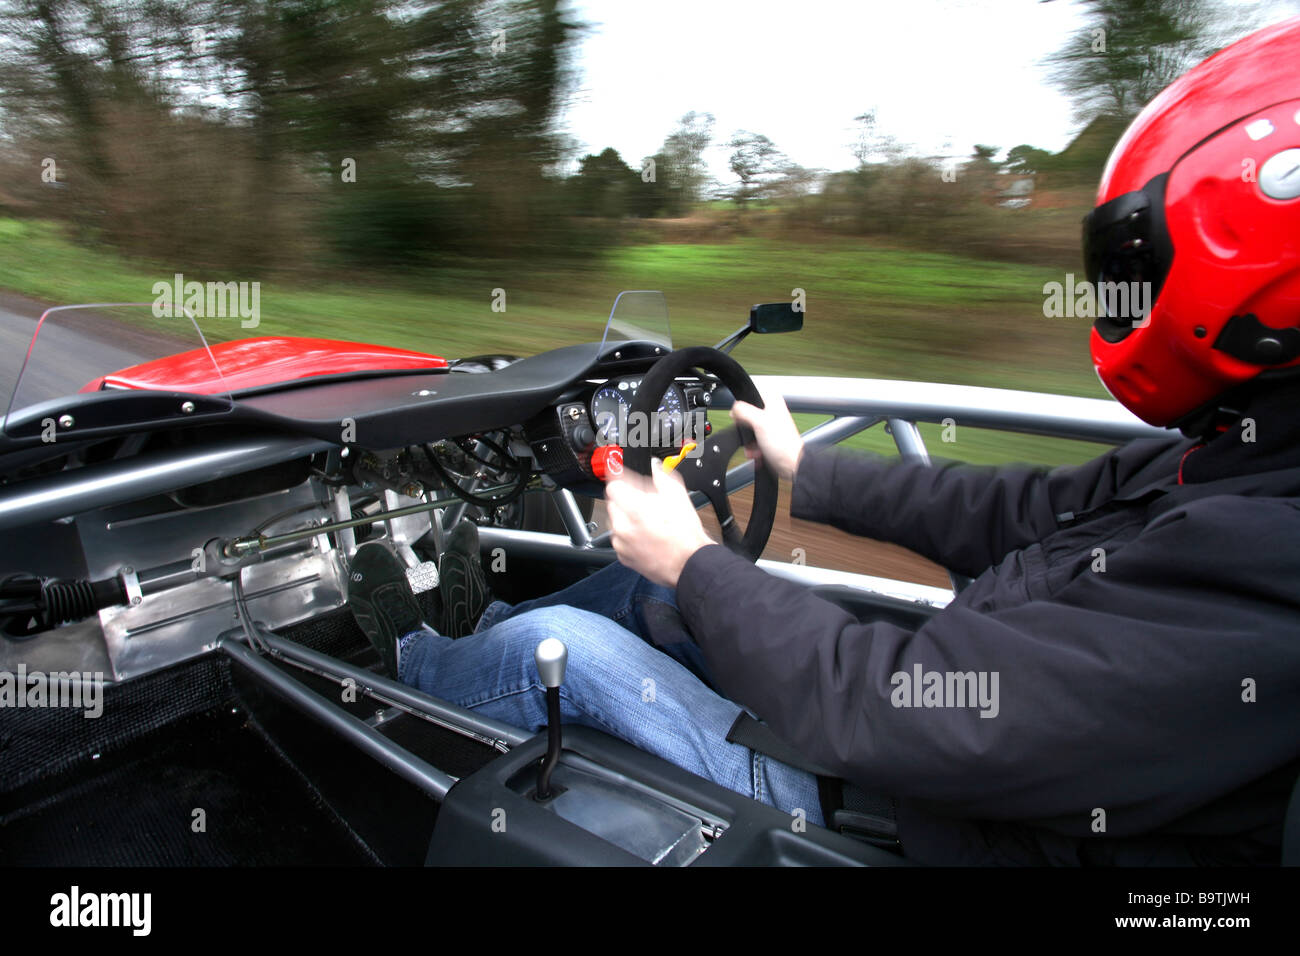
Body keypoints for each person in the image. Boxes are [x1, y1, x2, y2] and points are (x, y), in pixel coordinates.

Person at [348, 18, 1300, 865]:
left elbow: (908, 712)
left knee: (565, 643)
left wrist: (696, 560)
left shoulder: (1266, 562)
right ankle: (468, 636)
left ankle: (410, 669)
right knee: (647, 589)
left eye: (1133, 266)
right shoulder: (1224, 465)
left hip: (874, 817)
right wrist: (807, 471)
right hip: (925, 751)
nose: (1118, 295)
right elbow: (1019, 508)